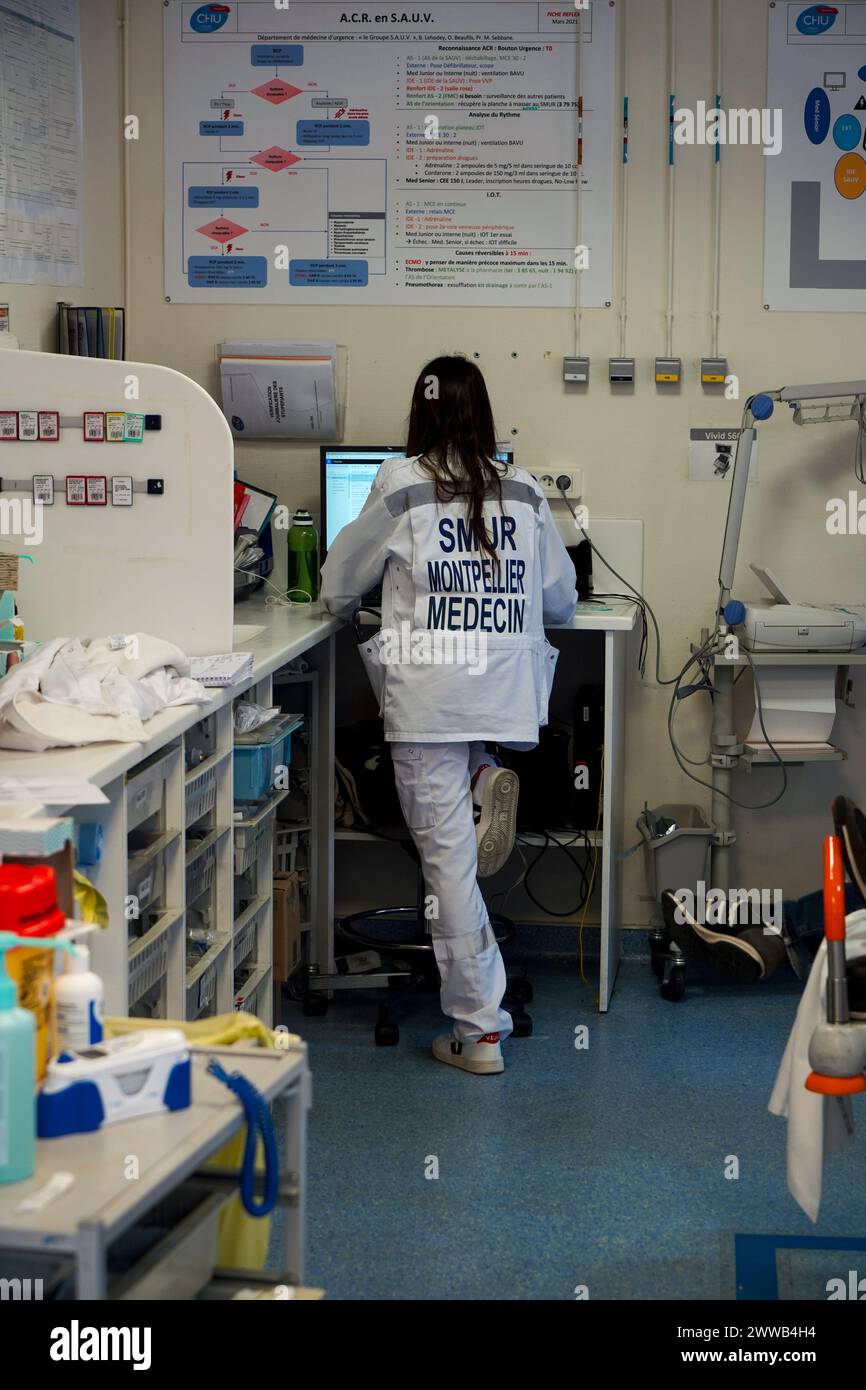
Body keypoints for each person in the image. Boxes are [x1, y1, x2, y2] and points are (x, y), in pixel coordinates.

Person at [320, 356, 578, 1074]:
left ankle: (479, 1031)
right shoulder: (523, 489)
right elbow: (561, 602)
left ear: (421, 411)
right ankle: (482, 783)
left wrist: (352, 604)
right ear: (484, 414)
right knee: (456, 860)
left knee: (448, 873)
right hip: (501, 699)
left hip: (432, 701)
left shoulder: (401, 485)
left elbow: (337, 584)